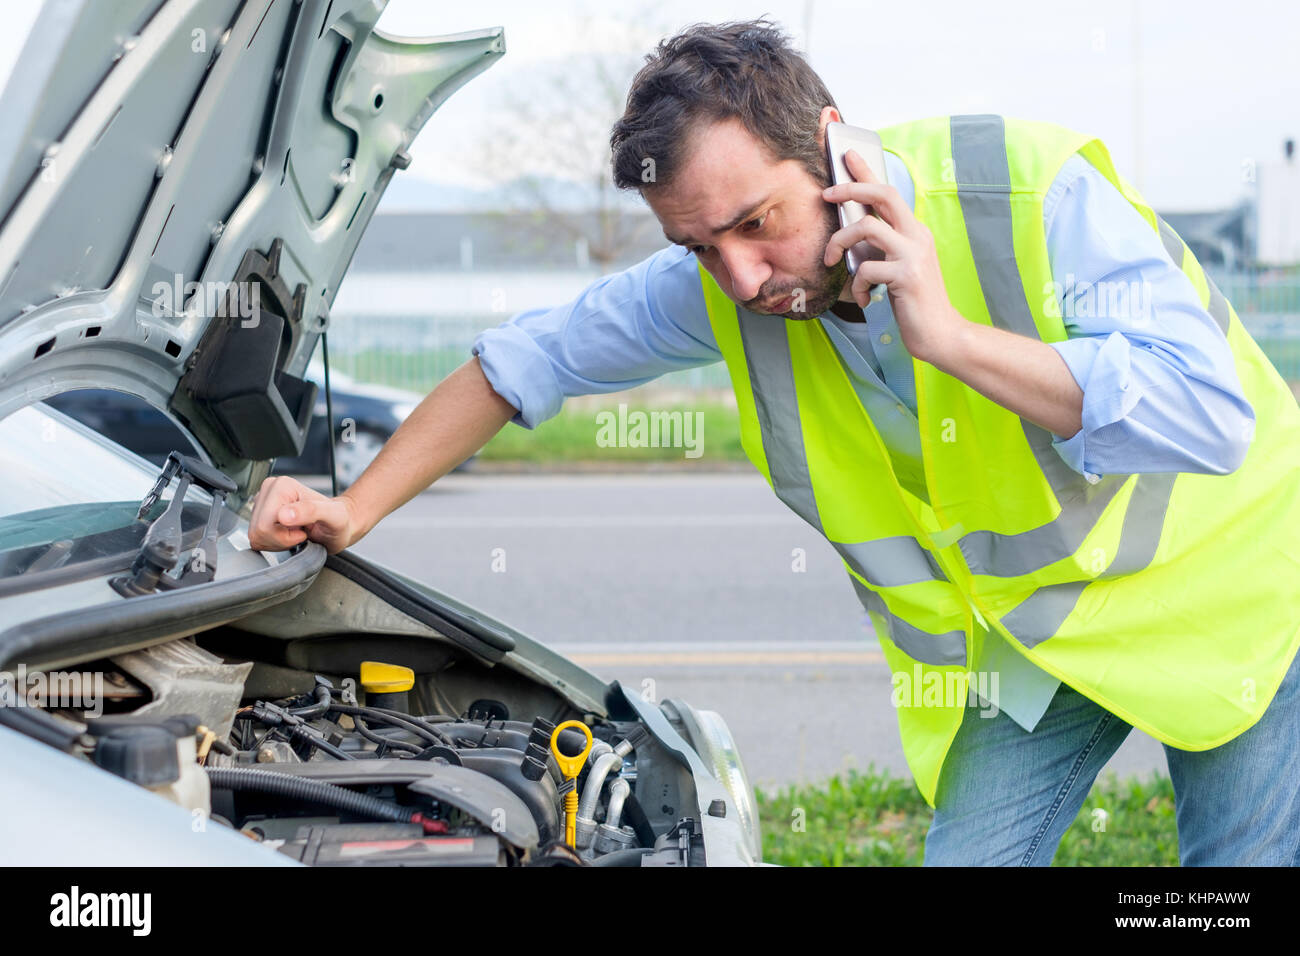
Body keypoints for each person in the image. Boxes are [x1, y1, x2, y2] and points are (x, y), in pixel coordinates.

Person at [249, 19, 1300, 866]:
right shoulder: (726, 286)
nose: (743, 279)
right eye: (699, 246)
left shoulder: (1031, 190)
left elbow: (1207, 414)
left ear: (835, 148)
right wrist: (352, 509)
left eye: (758, 222)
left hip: (1228, 589)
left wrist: (953, 338)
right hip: (1043, 637)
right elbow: (523, 363)